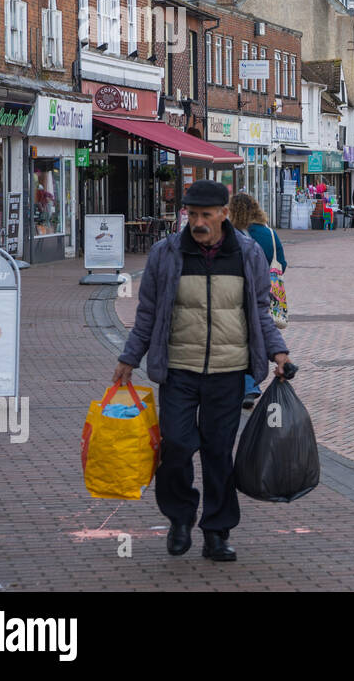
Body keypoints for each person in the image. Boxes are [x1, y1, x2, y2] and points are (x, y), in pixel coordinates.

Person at [113, 180, 290, 563]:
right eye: (192, 215)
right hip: (179, 368)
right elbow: (147, 314)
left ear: (224, 214)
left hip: (229, 371)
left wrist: (278, 352)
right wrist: (129, 358)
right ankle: (179, 517)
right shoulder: (166, 253)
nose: (198, 222)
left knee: (218, 453)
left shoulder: (247, 254)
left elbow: (261, 310)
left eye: (206, 215)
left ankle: (217, 531)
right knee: (175, 446)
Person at [229, 192, 287, 409]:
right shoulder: (269, 233)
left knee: (242, 338)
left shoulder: (234, 235)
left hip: (239, 293)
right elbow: (282, 262)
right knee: (261, 333)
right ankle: (251, 383)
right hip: (266, 294)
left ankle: (248, 384)